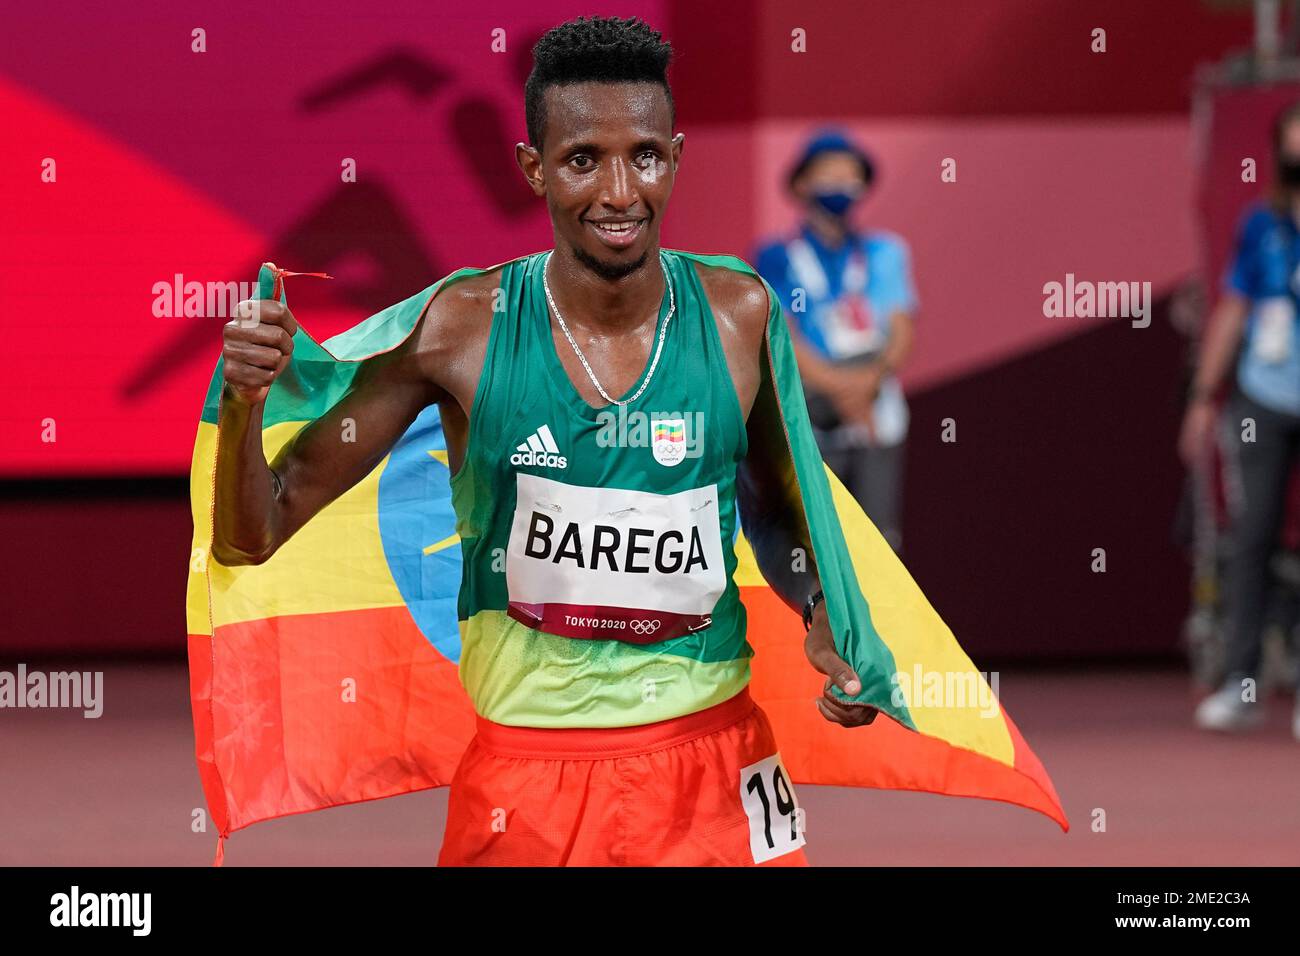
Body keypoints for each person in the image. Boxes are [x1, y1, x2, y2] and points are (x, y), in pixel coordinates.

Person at [209, 16, 877, 866]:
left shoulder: (738, 315)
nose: (620, 192)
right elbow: (250, 533)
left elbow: (780, 509)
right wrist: (243, 401)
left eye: (644, 155)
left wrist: (821, 609)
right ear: (534, 169)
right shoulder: (457, 331)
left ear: (675, 155)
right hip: (527, 788)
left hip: (719, 765)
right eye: (582, 160)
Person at [1181, 99, 1300, 741]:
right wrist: (1205, 394)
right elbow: (1234, 307)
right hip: (1264, 398)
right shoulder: (1262, 225)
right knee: (1252, 538)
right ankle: (1242, 683)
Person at [755, 129, 917, 551]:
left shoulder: (885, 252)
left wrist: (867, 381)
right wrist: (839, 388)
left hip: (874, 415)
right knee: (817, 546)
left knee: (880, 548)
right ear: (802, 183)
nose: (841, 183)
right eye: (829, 173)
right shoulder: (776, 257)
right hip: (813, 418)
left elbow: (901, 328)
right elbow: (781, 334)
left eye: (851, 175)